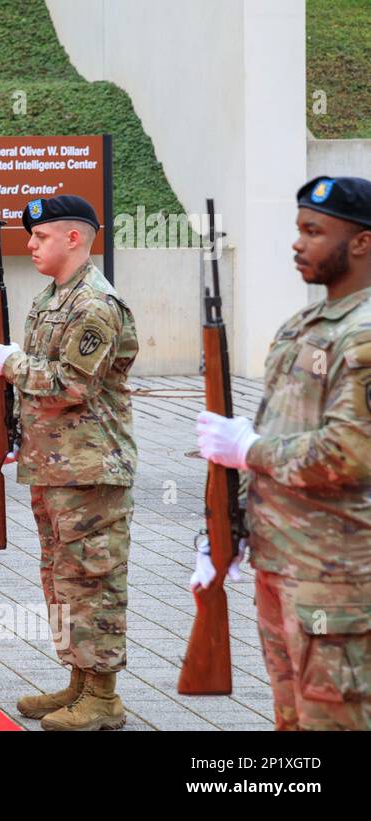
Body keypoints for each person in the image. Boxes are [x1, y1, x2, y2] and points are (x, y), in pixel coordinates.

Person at [196, 175, 371, 731]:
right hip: (280, 560)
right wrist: (228, 528)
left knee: (334, 720)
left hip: (335, 574)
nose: (298, 244)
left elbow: (349, 450)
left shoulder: (363, 335)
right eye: (298, 229)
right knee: (291, 720)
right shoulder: (305, 325)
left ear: (362, 242)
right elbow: (278, 427)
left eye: (314, 232)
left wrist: (250, 448)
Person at [0, 194, 139, 731]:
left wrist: (12, 361)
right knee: (61, 579)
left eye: (41, 236)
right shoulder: (50, 298)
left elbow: (71, 383)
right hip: (53, 465)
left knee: (95, 578)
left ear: (74, 238)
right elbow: (35, 392)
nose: (30, 244)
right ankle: (78, 680)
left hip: (92, 470)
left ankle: (104, 695)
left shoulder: (95, 304)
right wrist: (5, 434)